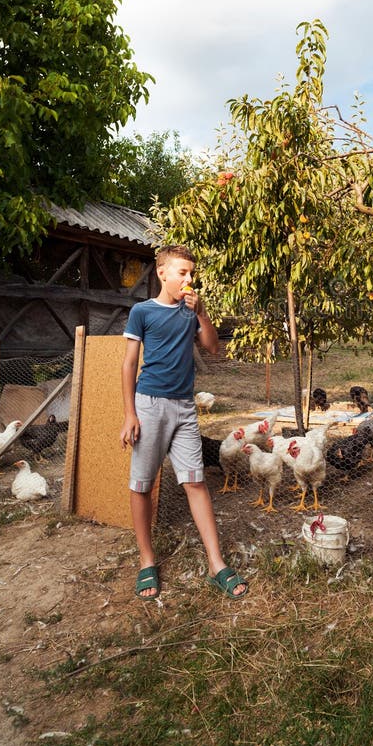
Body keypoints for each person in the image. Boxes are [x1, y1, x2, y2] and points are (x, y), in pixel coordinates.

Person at [119, 244, 248, 601]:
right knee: (142, 484)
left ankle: (216, 563)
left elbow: (212, 348)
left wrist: (202, 313)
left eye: (192, 273)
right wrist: (130, 413)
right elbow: (129, 364)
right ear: (162, 273)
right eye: (182, 273)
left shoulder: (190, 311)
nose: (189, 279)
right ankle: (147, 561)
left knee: (196, 482)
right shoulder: (142, 312)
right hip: (149, 406)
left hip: (185, 408)